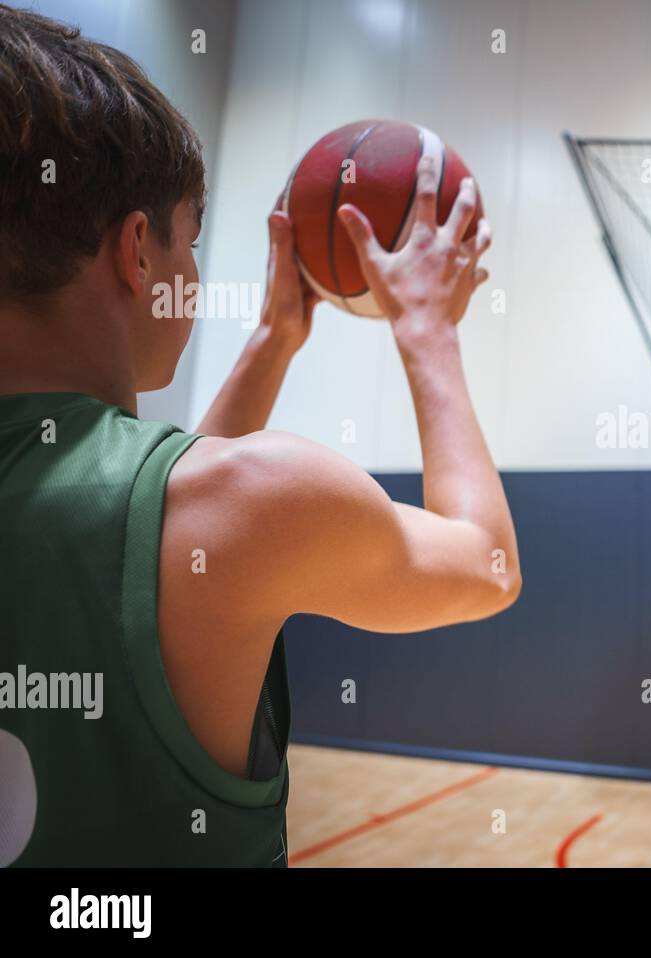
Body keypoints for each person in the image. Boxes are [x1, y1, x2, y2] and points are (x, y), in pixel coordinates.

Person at [0, 5, 520, 866]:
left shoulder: (196, 512)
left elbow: (165, 515)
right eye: (190, 240)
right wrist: (428, 331)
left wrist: (275, 337)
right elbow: (486, 566)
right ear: (138, 251)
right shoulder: (262, 500)